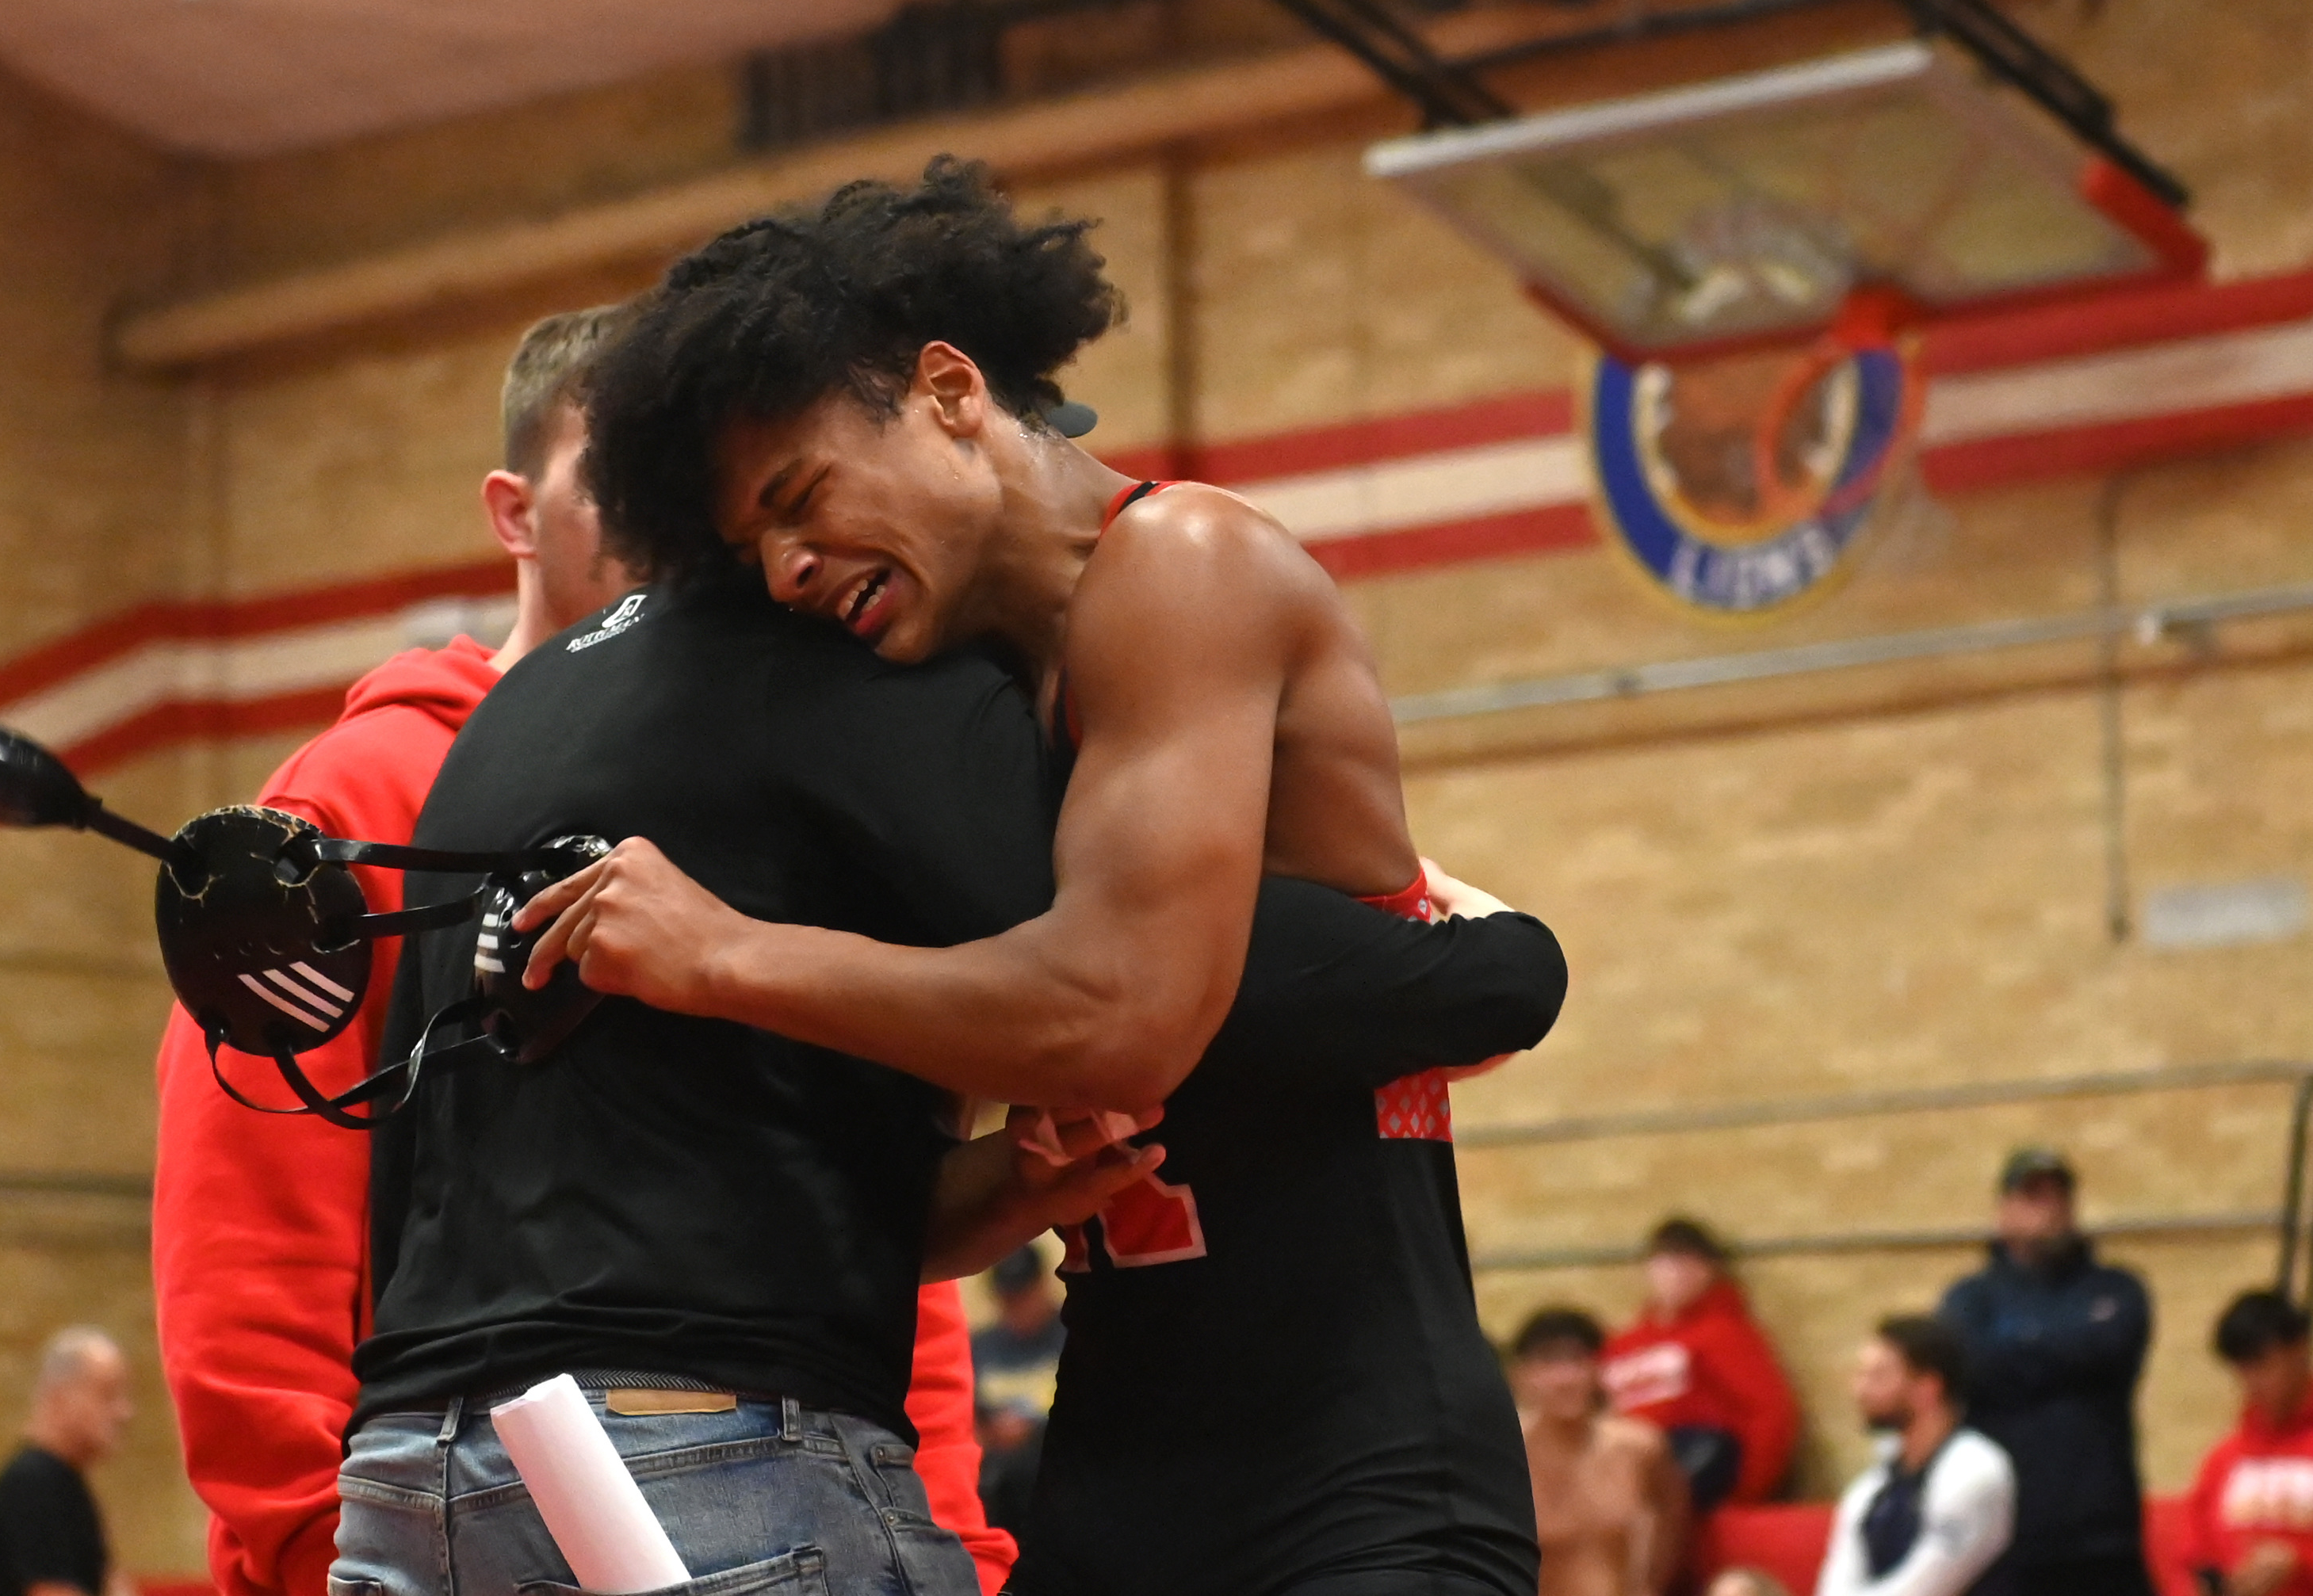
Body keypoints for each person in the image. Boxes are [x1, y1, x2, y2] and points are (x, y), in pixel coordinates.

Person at [522, 155, 1562, 1596]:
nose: (782, 569)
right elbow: (930, 1201)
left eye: (800, 494)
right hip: (1117, 1465)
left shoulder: (1184, 562)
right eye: (750, 542)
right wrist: (1004, 1172)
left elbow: (1123, 1012)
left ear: (949, 389)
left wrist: (719, 954)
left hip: (1355, 1476)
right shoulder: (955, 706)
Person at [344, 472, 1550, 1596]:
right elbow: (1156, 980)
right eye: (776, 512)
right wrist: (1490, 958)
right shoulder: (893, 702)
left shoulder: (520, 711)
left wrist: (1011, 1166)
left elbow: (853, 1197)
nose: (802, 561)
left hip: (413, 1459)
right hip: (749, 1432)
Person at [147, 308, 1019, 1596]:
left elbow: (847, 1194)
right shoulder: (360, 796)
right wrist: (303, 1551)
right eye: (625, 475)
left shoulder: (767, 772)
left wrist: (944, 1525)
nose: (678, 526)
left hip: (784, 1468)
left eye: (706, 486)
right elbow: (248, 1240)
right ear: (514, 512)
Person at [1936, 1147, 2151, 1596]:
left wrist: (2014, 1349)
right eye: (2032, 1195)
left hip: (2101, 1537)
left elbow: (2110, 1349)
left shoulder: (2118, 1289)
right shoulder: (1969, 1299)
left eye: (2059, 1195)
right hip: (2000, 1538)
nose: (2048, 1207)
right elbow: (1968, 1368)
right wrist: (2065, 1347)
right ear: (2004, 1210)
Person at [1602, 1218, 1800, 1513]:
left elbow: (1770, 1415)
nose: (1674, 1275)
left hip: (1692, 1465)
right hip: (1627, 1465)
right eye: (1665, 1263)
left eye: (1686, 1265)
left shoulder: (1727, 1335)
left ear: (1709, 1272)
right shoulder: (1624, 1345)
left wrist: (1745, 1496)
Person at [1814, 1317, 2014, 1596]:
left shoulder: (1975, 1470)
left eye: (1878, 1376)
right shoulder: (1870, 1488)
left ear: (1928, 1387)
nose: (1859, 1390)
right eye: (1862, 1375)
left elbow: (1922, 1590)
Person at [1512, 1309, 1688, 1596]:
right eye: (1548, 1363)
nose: (1565, 1378)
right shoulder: (1505, 1456)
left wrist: (1648, 1585)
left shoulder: (1640, 1447)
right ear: (1521, 1374)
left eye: (1577, 1361)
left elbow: (1671, 1513)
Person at [0, 1329, 134, 1596]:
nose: (124, 1411)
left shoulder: (66, 1484)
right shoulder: (31, 1485)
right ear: (59, 1398)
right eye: (108, 1394)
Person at [2188, 1289, 2313, 1596]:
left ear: (2298, 1349)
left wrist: (2302, 1562)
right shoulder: (2223, 1461)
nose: (2253, 1382)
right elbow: (2193, 1557)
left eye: (2263, 1364)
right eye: (2242, 1370)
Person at [971, 1248, 1066, 1534]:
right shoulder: (981, 1346)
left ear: (1041, 1285)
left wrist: (1033, 1431)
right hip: (996, 1477)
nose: (1015, 1305)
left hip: (1054, 1470)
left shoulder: (1072, 1337)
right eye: (1006, 1298)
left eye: (1023, 1294)